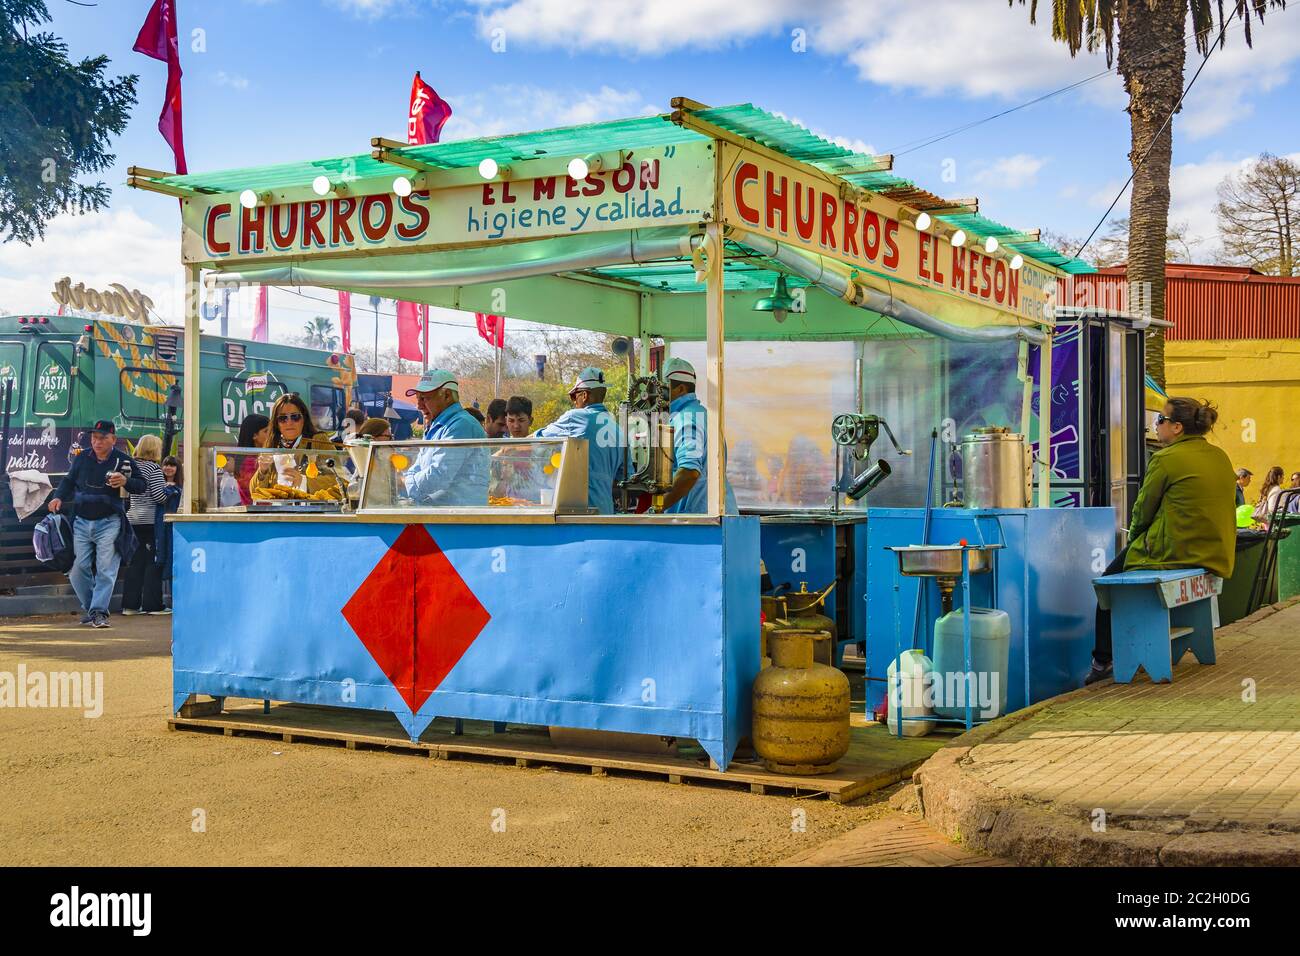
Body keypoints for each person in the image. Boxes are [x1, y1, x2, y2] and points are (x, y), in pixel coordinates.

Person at [1086, 397, 1236, 684]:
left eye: (1160, 421)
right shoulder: (1220, 456)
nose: (1156, 426)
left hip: (1175, 552)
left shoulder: (1165, 460)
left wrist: (1135, 537)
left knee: (1108, 582)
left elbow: (1142, 512)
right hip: (1216, 553)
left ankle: (1102, 660)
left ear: (1177, 427)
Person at [48, 420, 146, 628]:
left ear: (113, 439)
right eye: (94, 437)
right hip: (81, 521)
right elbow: (68, 480)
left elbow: (142, 485)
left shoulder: (124, 461)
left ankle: (99, 611)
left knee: (106, 569)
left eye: (102, 437)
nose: (97, 441)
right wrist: (58, 497)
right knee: (77, 567)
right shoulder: (82, 457)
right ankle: (93, 609)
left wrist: (126, 481)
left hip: (110, 521)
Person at [532, 367, 625, 514]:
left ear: (584, 395)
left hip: (580, 513)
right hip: (606, 512)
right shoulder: (619, 430)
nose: (574, 402)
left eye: (574, 396)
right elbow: (625, 477)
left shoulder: (575, 417)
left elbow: (538, 439)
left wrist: (507, 447)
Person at [656, 358, 738, 515]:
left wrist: (657, 508)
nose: (658, 396)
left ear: (680, 389)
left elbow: (689, 472)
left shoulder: (686, 419)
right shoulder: (702, 414)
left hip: (700, 519)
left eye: (663, 390)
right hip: (720, 514)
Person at [402, 369, 489, 505]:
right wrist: (408, 481)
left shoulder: (462, 425)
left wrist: (405, 483)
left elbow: (438, 476)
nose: (419, 405)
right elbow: (418, 467)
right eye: (417, 399)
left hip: (461, 518)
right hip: (443, 514)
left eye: (424, 398)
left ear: (447, 395)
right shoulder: (437, 426)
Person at [250, 393, 340, 496]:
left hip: (312, 510)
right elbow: (255, 493)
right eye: (283, 418)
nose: (289, 422)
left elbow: (339, 479)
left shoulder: (318, 441)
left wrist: (304, 481)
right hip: (280, 510)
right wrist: (262, 471)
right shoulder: (272, 444)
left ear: (303, 419)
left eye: (295, 417)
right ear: (277, 423)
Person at [121, 434, 169, 615]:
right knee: (152, 563)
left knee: (135, 563)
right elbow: (158, 495)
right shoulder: (153, 468)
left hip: (131, 518)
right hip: (149, 520)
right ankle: (153, 604)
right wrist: (172, 494)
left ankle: (130, 605)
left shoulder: (132, 467)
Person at [156, 455, 183, 613]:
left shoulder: (181, 487)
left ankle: (175, 598)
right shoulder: (159, 486)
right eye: (166, 465)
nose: (168, 468)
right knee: (162, 558)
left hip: (174, 526)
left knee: (174, 560)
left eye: (172, 465)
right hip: (161, 526)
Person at [235, 412, 271, 505]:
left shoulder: (254, 457)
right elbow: (258, 491)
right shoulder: (250, 462)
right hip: (257, 512)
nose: (271, 435)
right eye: (266, 431)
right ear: (254, 436)